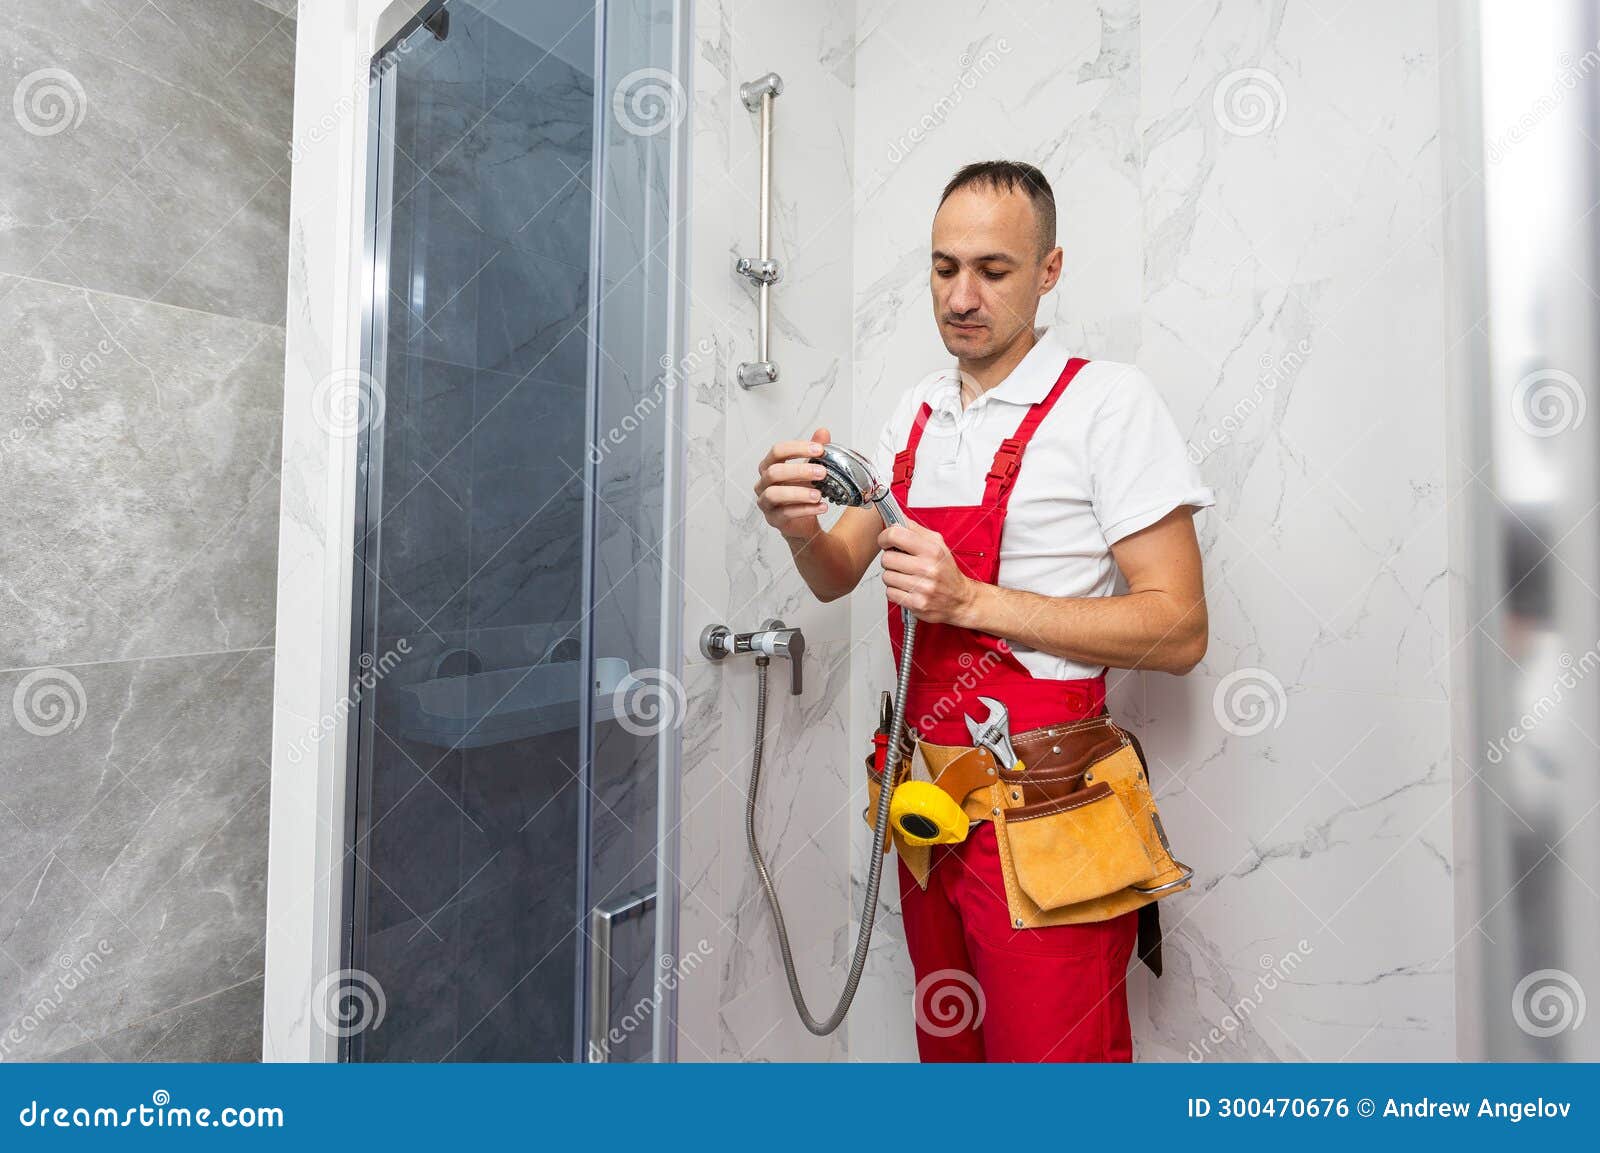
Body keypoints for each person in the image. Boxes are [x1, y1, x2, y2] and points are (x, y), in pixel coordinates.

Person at [753, 160, 1213, 1061]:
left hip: (1049, 818)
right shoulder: (916, 412)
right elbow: (836, 572)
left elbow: (1182, 628)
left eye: (993, 271)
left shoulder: (1108, 403)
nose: (962, 295)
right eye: (942, 267)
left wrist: (972, 599)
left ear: (1049, 271)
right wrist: (798, 526)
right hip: (930, 813)